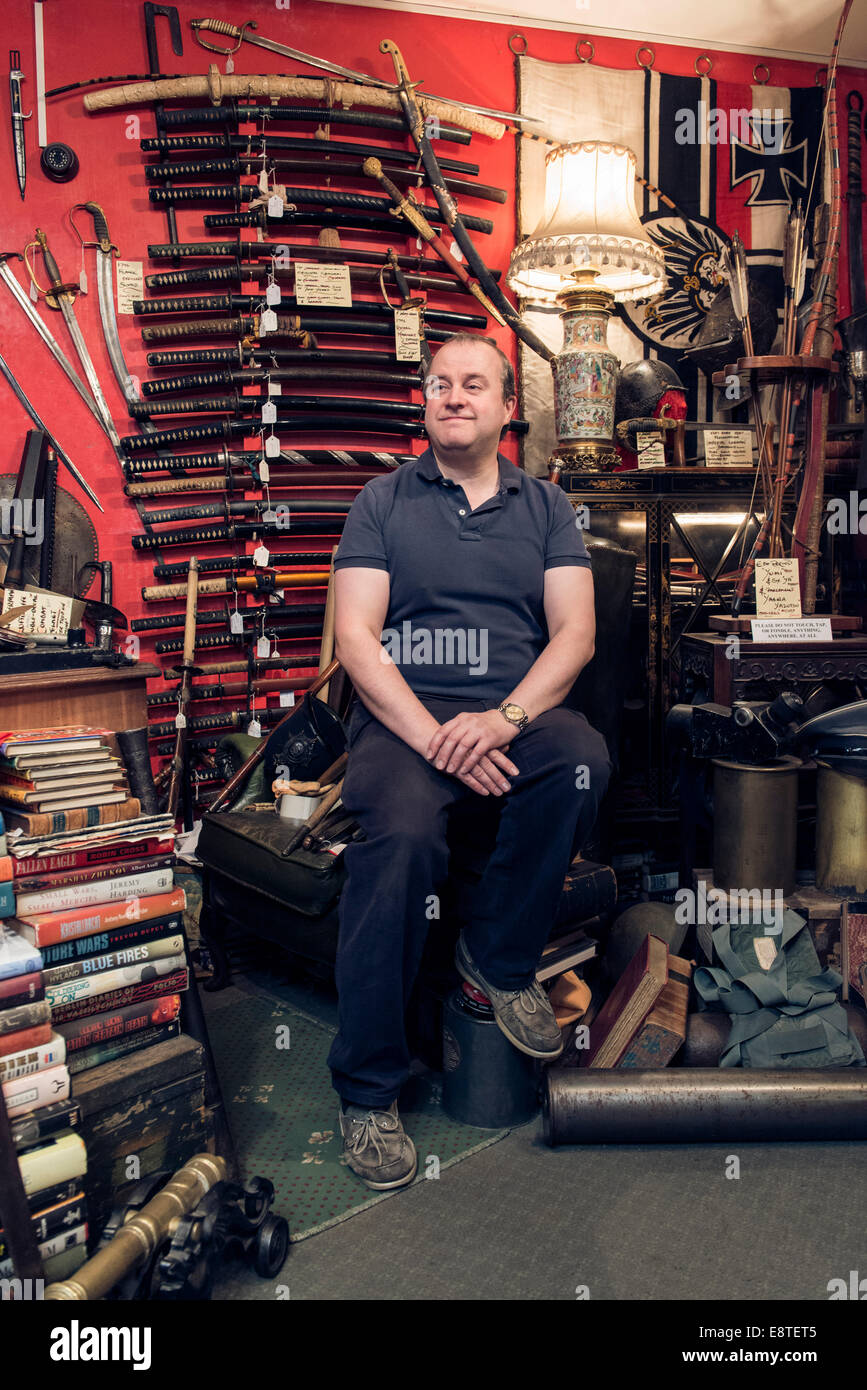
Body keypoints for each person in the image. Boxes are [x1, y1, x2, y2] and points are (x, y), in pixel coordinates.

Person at [328, 332, 611, 1189]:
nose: (454, 397)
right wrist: (433, 737)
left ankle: (496, 960)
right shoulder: (379, 501)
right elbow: (355, 639)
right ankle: (368, 1092)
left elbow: (575, 634)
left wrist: (505, 718)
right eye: (440, 385)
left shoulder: (546, 507)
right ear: (426, 402)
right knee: (403, 842)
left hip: (511, 715)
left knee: (579, 760)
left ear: (503, 407)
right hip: (400, 725)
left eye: (474, 385)